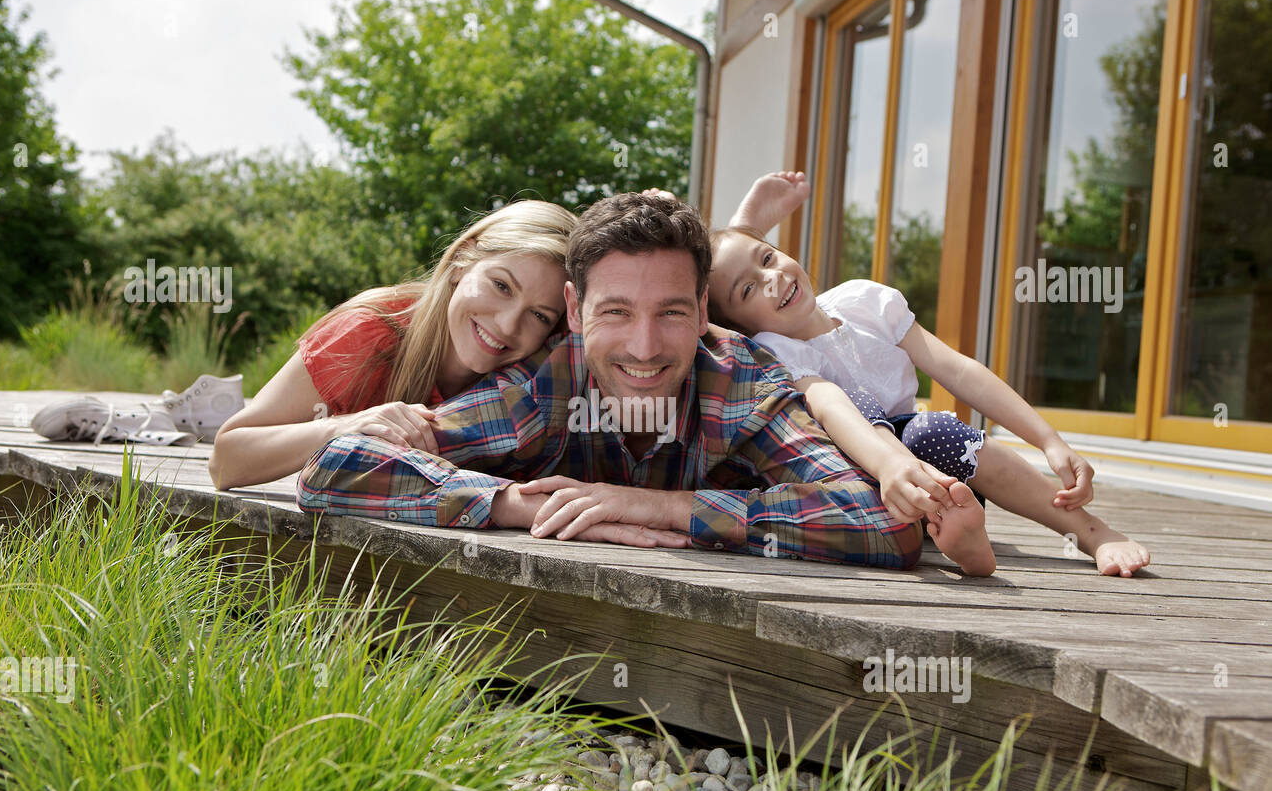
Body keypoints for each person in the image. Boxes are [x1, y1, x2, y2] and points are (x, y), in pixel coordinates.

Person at [295, 191, 925, 567]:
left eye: (672, 313)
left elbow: (887, 524)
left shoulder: (742, 384)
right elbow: (336, 466)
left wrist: (664, 509)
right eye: (616, 313)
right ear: (574, 311)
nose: (645, 348)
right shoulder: (545, 385)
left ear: (704, 312)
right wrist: (512, 505)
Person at [707, 171, 1151, 577]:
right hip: (863, 478)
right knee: (855, 404)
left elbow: (957, 369)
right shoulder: (774, 350)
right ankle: (955, 535)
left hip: (940, 471)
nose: (771, 278)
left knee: (930, 426)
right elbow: (830, 405)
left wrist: (1049, 439)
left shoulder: (865, 302)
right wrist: (892, 467)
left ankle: (1087, 531)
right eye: (748, 289)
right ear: (743, 326)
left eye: (768, 258)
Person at [207, 199, 578, 490]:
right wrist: (342, 427)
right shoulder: (370, 331)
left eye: (540, 315)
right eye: (501, 286)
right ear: (463, 260)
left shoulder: (541, 375)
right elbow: (225, 461)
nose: (507, 323)